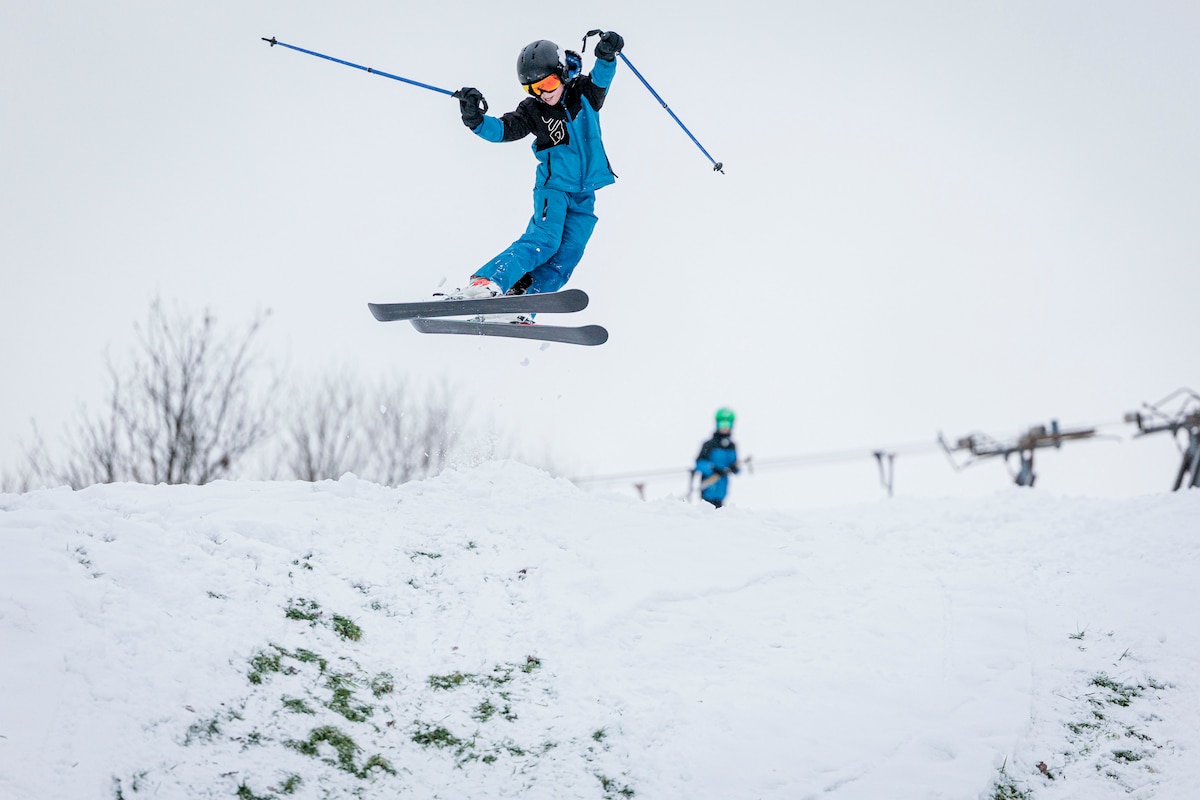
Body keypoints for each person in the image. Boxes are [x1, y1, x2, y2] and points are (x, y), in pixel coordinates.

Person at [440, 31, 624, 303]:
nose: (543, 93)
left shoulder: (586, 93)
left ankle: (523, 300)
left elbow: (602, 77)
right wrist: (476, 120)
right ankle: (487, 281)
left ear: (562, 73)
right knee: (544, 241)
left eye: (548, 83)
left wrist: (606, 55)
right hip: (554, 189)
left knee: (568, 254)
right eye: (533, 89)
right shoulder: (533, 110)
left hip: (585, 194)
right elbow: (503, 129)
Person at [694, 408, 740, 508]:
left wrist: (734, 468)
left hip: (722, 492)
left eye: (728, 424)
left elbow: (735, 464)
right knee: (707, 511)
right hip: (708, 489)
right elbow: (699, 463)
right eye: (722, 424)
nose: (725, 428)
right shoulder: (709, 445)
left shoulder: (731, 446)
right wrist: (713, 469)